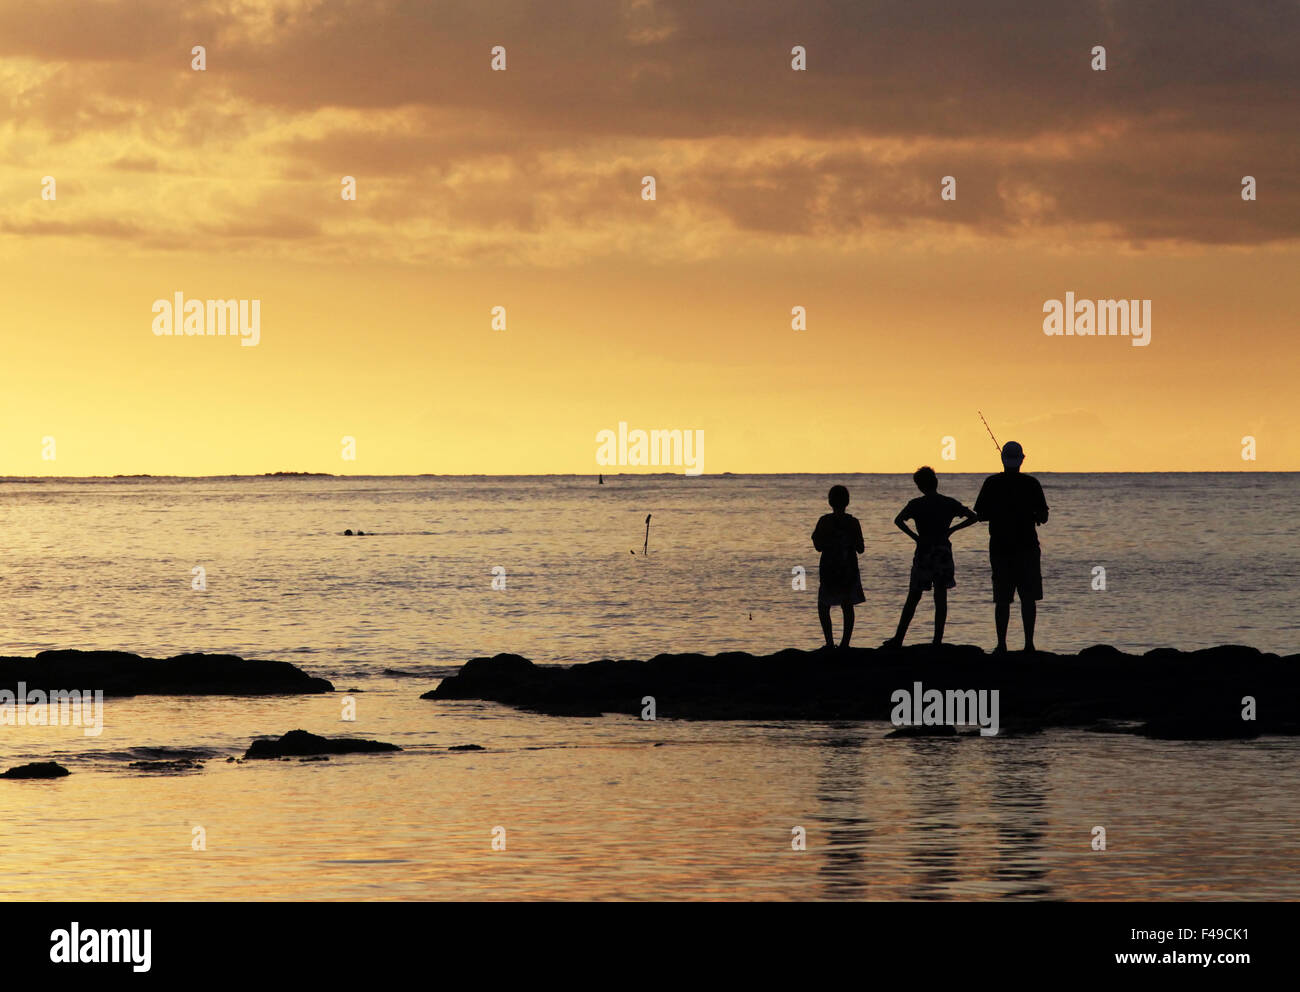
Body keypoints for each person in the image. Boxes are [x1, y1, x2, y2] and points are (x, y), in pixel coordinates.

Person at [883, 466, 977, 647]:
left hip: (924, 551)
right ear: (936, 482)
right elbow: (973, 517)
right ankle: (937, 641)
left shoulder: (916, 504)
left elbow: (898, 520)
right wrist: (951, 530)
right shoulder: (948, 503)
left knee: (914, 596)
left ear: (920, 486)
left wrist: (916, 538)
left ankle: (898, 639)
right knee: (940, 596)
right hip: (942, 551)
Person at [973, 441, 1049, 652]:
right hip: (1027, 547)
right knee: (1028, 598)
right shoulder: (1032, 484)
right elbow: (1044, 516)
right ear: (1022, 459)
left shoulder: (991, 483)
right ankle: (1029, 645)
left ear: (1002, 459)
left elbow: (980, 514)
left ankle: (1001, 645)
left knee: (1002, 599)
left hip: (1000, 547)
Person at [812, 485, 865, 649]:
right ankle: (845, 644)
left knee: (823, 605)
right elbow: (861, 549)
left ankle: (829, 643)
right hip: (848, 568)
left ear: (830, 502)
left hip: (829, 568)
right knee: (847, 604)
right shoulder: (853, 522)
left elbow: (818, 546)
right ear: (847, 502)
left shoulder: (824, 521)